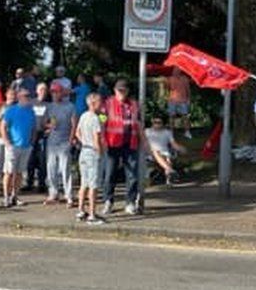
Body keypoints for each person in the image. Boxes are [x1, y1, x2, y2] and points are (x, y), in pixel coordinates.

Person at [102, 79, 145, 215]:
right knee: (110, 173)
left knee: (132, 174)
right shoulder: (108, 103)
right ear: (115, 91)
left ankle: (130, 202)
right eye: (119, 90)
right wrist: (102, 139)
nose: (122, 93)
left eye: (124, 90)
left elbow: (138, 123)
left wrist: (143, 141)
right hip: (112, 143)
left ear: (127, 91)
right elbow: (101, 121)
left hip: (130, 143)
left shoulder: (133, 104)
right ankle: (108, 201)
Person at [0, 88, 36, 207]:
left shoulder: (31, 111)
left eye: (29, 96)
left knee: (20, 173)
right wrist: (7, 143)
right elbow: (3, 127)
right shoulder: (11, 110)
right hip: (13, 146)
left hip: (26, 146)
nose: (28, 98)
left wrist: (31, 142)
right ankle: (6, 197)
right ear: (19, 97)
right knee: (9, 172)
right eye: (25, 96)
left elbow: (34, 128)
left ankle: (15, 196)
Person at [44, 82, 77, 206]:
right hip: (52, 142)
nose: (54, 94)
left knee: (65, 170)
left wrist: (70, 140)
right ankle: (53, 193)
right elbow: (44, 123)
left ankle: (69, 195)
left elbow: (74, 124)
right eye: (52, 92)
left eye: (57, 91)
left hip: (64, 142)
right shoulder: (49, 106)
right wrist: (49, 125)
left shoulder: (70, 106)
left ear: (62, 93)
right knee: (51, 169)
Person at [76, 93, 105, 224]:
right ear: (93, 103)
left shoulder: (83, 115)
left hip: (84, 150)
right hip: (93, 152)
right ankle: (92, 214)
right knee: (94, 185)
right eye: (99, 102)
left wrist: (84, 142)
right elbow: (97, 138)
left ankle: (81, 210)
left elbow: (77, 132)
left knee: (84, 183)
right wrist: (100, 153)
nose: (101, 104)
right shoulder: (95, 119)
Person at [144, 116, 186, 185]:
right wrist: (148, 150)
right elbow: (144, 144)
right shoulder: (147, 131)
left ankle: (169, 177)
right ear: (152, 123)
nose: (157, 124)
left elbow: (174, 144)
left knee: (168, 157)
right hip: (150, 154)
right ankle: (171, 171)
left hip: (165, 153)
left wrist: (180, 148)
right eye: (155, 122)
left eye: (159, 122)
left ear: (162, 123)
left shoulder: (167, 132)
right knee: (156, 152)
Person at [24, 82, 49, 193]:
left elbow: (53, 119)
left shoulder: (49, 105)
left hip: (43, 135)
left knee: (42, 159)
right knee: (30, 159)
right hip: (31, 134)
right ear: (37, 91)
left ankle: (42, 183)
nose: (43, 92)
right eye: (41, 89)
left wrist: (50, 128)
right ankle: (29, 182)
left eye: (45, 90)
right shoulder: (31, 103)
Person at [166, 67, 192, 139]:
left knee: (185, 117)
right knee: (171, 117)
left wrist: (189, 99)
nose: (176, 71)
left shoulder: (185, 79)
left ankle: (187, 132)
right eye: (174, 70)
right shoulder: (170, 79)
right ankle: (171, 133)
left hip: (183, 100)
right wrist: (168, 82)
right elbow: (168, 89)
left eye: (178, 70)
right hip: (172, 100)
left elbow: (188, 90)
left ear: (180, 71)